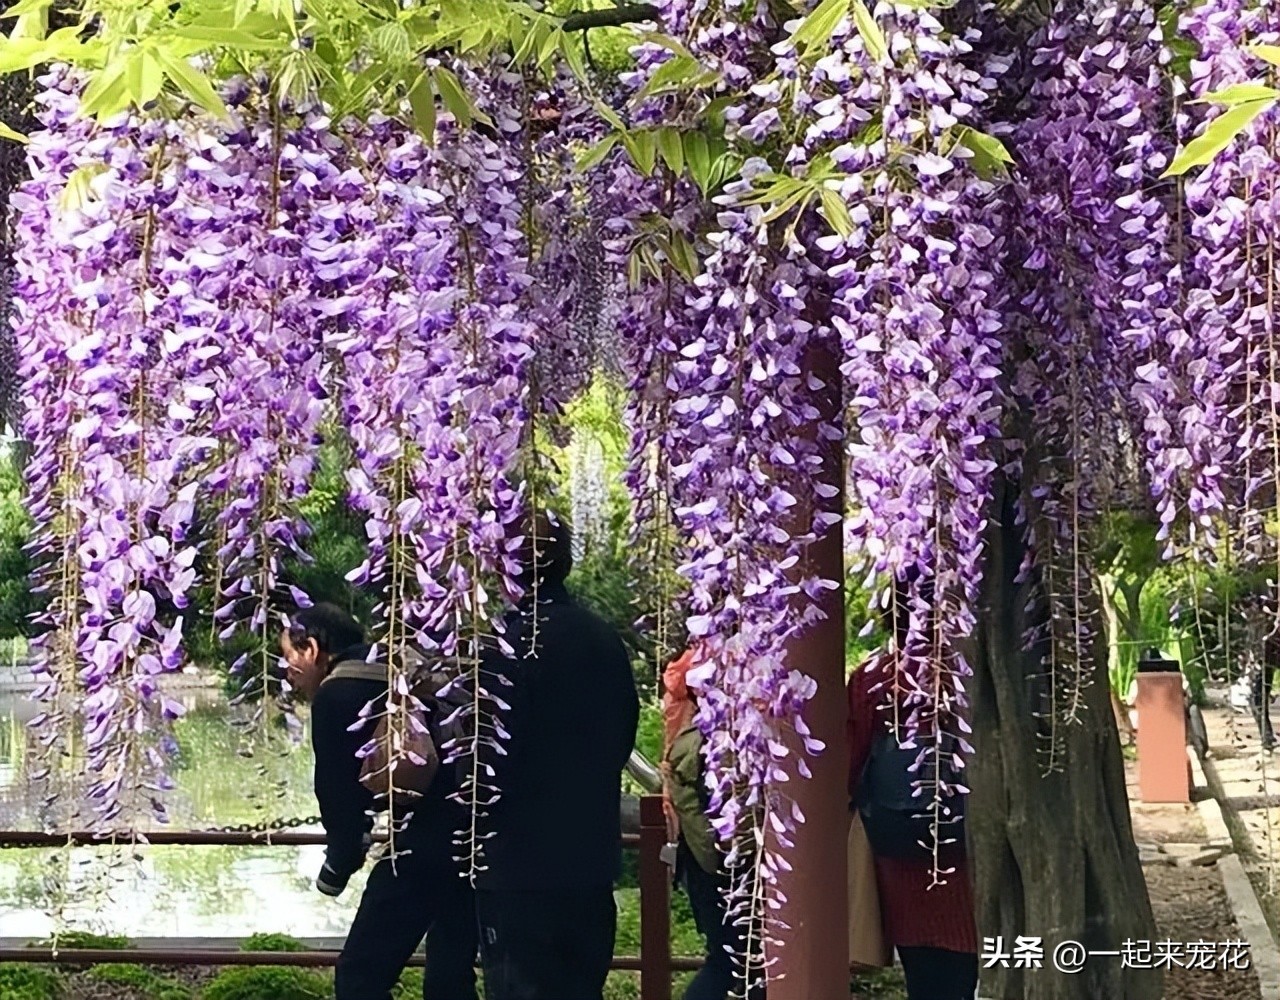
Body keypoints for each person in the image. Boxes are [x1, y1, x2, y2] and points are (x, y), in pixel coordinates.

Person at [475, 511, 640, 1000]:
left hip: (516, 864)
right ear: (564, 562)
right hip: (587, 859)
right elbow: (621, 737)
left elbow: (479, 755)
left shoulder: (497, 645)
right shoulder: (601, 639)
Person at [281, 602, 479, 1000]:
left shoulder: (337, 693)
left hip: (422, 849)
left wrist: (339, 864)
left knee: (359, 978)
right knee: (449, 978)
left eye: (288, 657)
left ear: (313, 650)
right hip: (475, 839)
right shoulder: (396, 671)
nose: (286, 673)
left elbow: (339, 796)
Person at [847, 590, 978, 1000]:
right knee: (963, 969)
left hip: (897, 846)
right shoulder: (969, 675)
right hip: (966, 849)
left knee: (922, 974)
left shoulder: (875, 676)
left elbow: (851, 761)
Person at [661, 646, 759, 1000]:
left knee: (732, 961)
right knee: (735, 963)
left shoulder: (690, 734)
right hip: (725, 867)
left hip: (702, 864)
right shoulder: (716, 740)